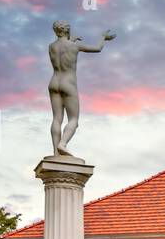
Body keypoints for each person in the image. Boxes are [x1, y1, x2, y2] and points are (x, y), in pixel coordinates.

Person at [47, 20, 116, 157]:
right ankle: (63, 144)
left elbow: (63, 46)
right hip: (68, 83)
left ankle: (56, 152)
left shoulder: (51, 46)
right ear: (67, 30)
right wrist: (103, 38)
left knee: (57, 119)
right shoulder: (75, 47)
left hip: (53, 82)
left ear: (56, 31)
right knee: (73, 120)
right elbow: (97, 48)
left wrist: (70, 40)